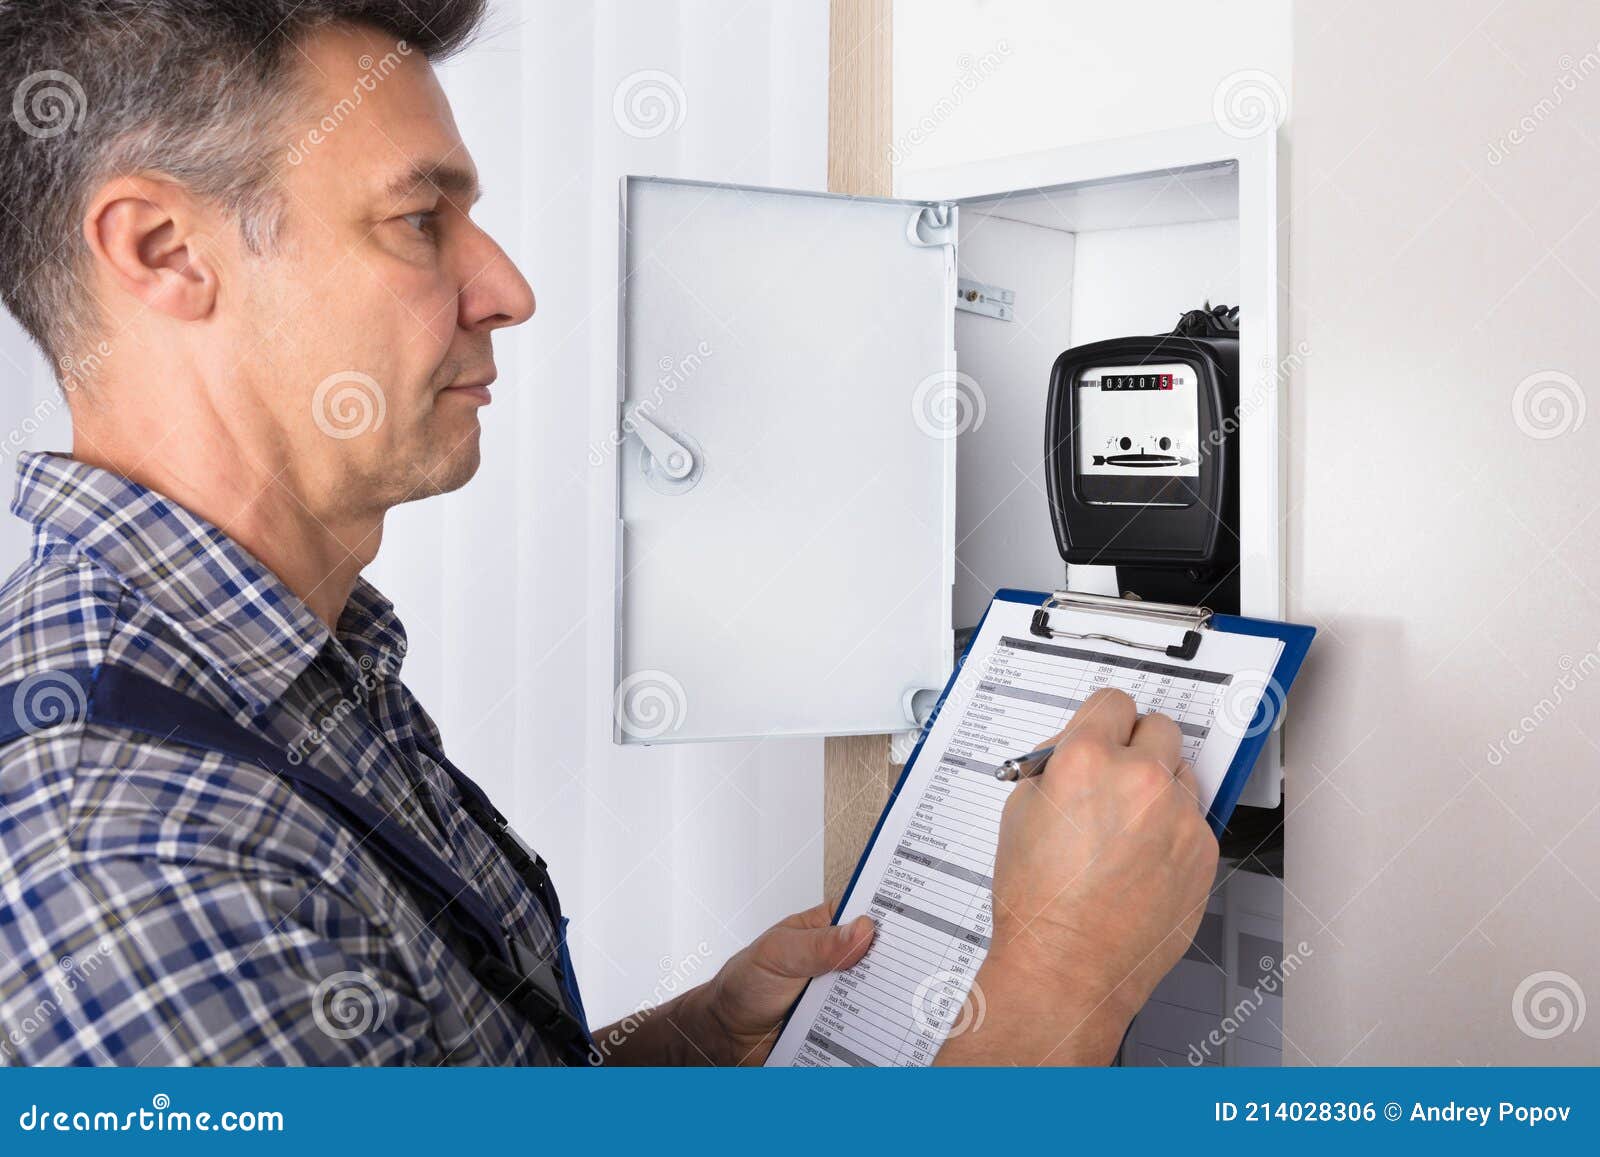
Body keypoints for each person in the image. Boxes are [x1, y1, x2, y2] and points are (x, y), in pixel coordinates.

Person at [0, 0, 1218, 1066]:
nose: (507, 288)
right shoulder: (128, 853)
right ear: (165, 252)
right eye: (419, 219)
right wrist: (1060, 983)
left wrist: (682, 1046)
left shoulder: (292, 664)